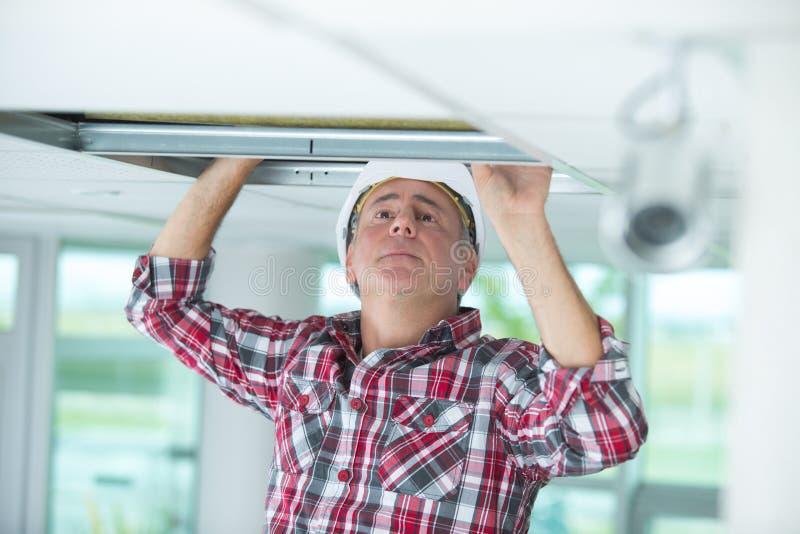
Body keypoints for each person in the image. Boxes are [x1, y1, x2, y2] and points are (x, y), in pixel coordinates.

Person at [125, 157, 647, 533]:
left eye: (428, 216)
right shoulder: (300, 359)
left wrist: (521, 221)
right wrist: (239, 156)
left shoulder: (502, 379)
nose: (402, 222)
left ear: (465, 265)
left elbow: (602, 430)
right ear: (350, 261)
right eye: (381, 214)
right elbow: (160, 307)